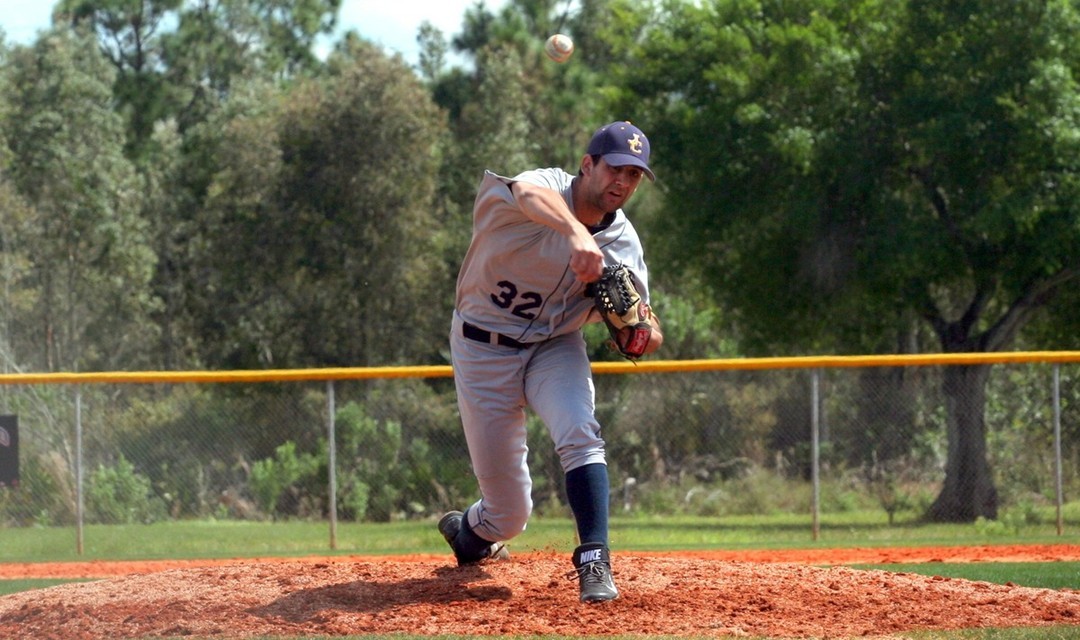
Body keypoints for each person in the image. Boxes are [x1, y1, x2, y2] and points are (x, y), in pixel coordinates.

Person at [439, 121, 664, 604]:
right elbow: (523, 191)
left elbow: (648, 326)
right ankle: (469, 534)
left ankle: (594, 559)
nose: (623, 182)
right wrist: (574, 233)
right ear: (587, 165)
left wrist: (639, 333)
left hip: (554, 346)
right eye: (615, 169)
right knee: (510, 514)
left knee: (581, 432)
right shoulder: (546, 187)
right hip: (482, 347)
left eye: (635, 175)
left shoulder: (623, 240)